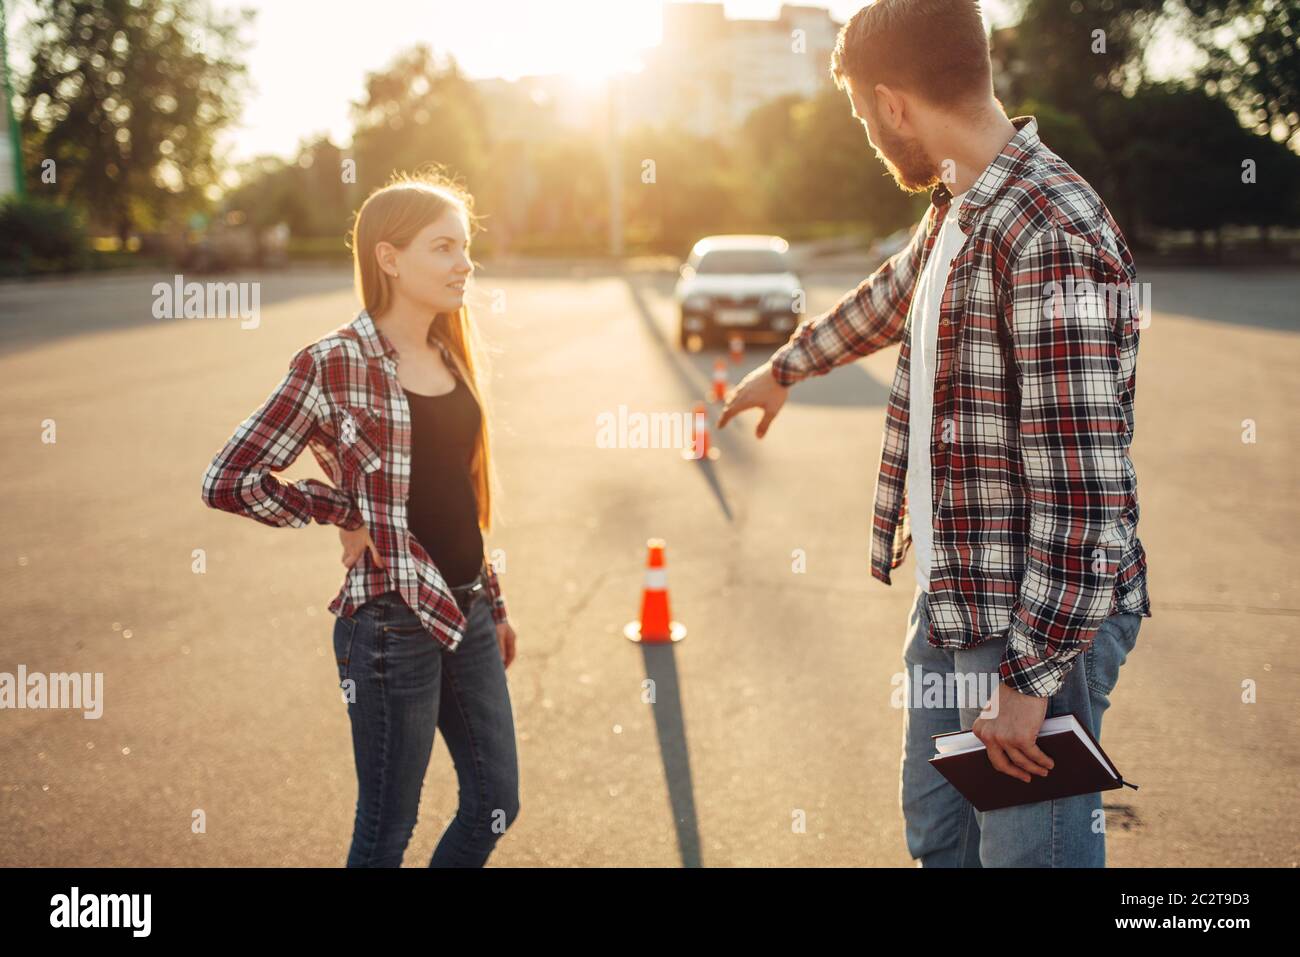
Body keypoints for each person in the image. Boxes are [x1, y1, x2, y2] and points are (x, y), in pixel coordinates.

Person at [719, 0, 1150, 867]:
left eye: (858, 114)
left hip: (1035, 624)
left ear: (891, 105)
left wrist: (1030, 684)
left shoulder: (1047, 230)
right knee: (941, 839)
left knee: (1032, 859)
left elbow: (1084, 493)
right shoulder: (960, 201)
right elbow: (893, 295)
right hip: (955, 597)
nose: (867, 136)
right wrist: (788, 367)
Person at [201, 171, 521, 867]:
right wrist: (340, 507)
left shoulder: (450, 351)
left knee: (496, 801)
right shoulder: (333, 362)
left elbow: (460, 495)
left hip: (465, 612)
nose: (464, 263)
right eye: (443, 248)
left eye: (465, 247)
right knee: (386, 832)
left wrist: (493, 603)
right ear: (389, 257)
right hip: (389, 624)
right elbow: (228, 478)